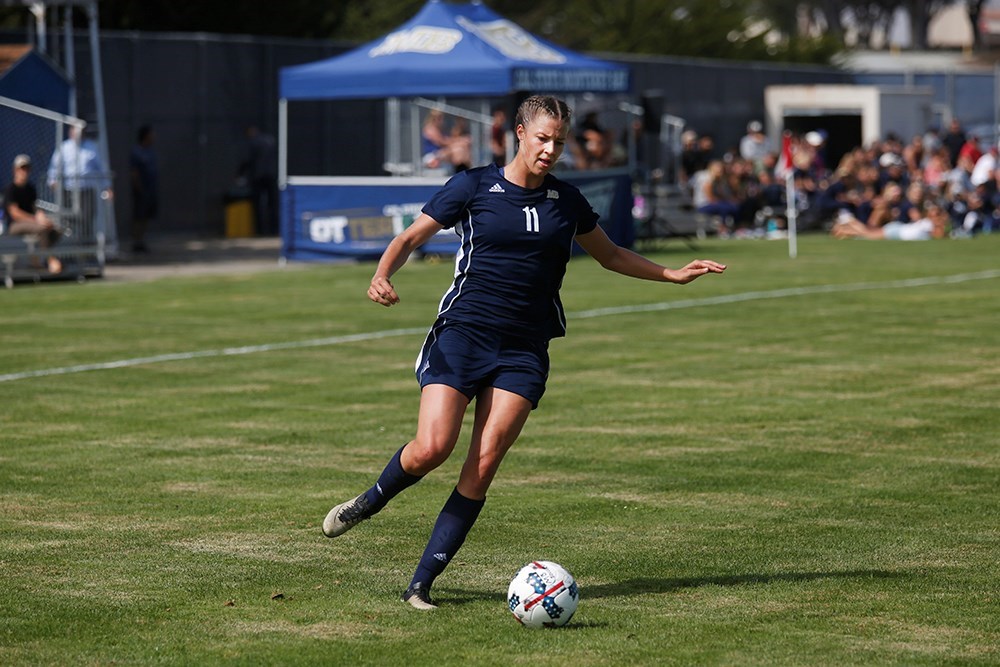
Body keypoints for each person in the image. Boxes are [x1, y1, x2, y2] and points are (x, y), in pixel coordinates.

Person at [320, 95, 726, 610]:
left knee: (483, 464)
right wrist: (381, 275)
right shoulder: (473, 186)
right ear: (519, 133)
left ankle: (420, 585)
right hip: (463, 335)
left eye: (560, 141)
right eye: (543, 138)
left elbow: (610, 254)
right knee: (433, 447)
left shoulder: (567, 200)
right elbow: (411, 235)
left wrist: (671, 273)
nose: (551, 149)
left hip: (524, 349)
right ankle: (367, 502)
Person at [46, 124, 111, 241]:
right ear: (70, 131)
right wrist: (52, 181)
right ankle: (70, 248)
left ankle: (86, 246)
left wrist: (107, 187)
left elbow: (101, 169)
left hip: (86, 191)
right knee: (68, 219)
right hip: (68, 190)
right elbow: (54, 167)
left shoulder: (92, 147)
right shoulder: (64, 147)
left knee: (87, 219)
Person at [2, 154, 63, 274]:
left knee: (56, 229)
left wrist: (43, 218)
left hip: (31, 223)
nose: (24, 171)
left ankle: (36, 258)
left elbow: (35, 208)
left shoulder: (30, 188)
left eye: (27, 168)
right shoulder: (10, 189)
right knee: (42, 228)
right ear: (15, 170)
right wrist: (36, 220)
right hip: (14, 225)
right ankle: (48, 260)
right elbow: (15, 213)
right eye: (22, 168)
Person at [832, 200, 949, 240]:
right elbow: (939, 234)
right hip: (896, 231)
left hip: (897, 229)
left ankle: (845, 228)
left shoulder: (927, 223)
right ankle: (848, 222)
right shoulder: (928, 224)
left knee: (867, 233)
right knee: (867, 234)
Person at [240, 125, 279, 235]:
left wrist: (240, 174)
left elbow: (246, 160)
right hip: (272, 175)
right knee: (273, 204)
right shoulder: (270, 140)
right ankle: (274, 230)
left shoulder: (253, 142)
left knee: (257, 204)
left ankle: (260, 230)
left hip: (258, 176)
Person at [129, 125, 158, 253]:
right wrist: (139, 188)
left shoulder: (150, 151)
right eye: (151, 134)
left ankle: (141, 241)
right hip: (141, 191)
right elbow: (134, 172)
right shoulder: (137, 152)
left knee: (146, 217)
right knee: (139, 217)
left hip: (151, 190)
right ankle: (136, 241)